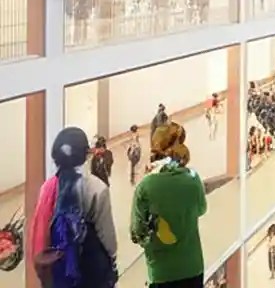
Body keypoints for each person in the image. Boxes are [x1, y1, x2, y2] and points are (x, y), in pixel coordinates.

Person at [27, 127, 118, 286]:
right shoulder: (97, 188)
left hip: (58, 271)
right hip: (90, 272)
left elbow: (40, 231)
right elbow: (107, 238)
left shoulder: (47, 188)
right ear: (85, 154)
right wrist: (112, 262)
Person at [130, 122, 207, 287]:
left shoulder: (145, 186)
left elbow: (137, 232)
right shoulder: (193, 179)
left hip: (162, 272)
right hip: (192, 268)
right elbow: (201, 209)